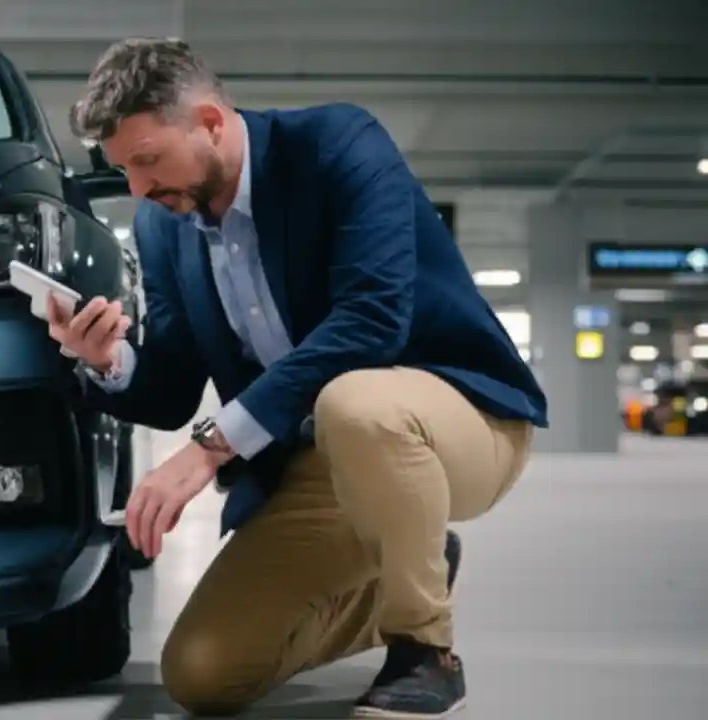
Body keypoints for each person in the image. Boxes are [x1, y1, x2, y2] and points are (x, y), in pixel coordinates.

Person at [47, 38, 548, 719]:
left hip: (456, 420)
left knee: (357, 401)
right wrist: (104, 357)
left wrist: (212, 447)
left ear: (212, 123)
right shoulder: (165, 232)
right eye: (123, 169)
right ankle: (408, 564)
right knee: (203, 674)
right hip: (314, 465)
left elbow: (372, 321)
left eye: (147, 160)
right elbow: (167, 390)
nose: (137, 189)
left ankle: (425, 647)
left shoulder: (337, 145)